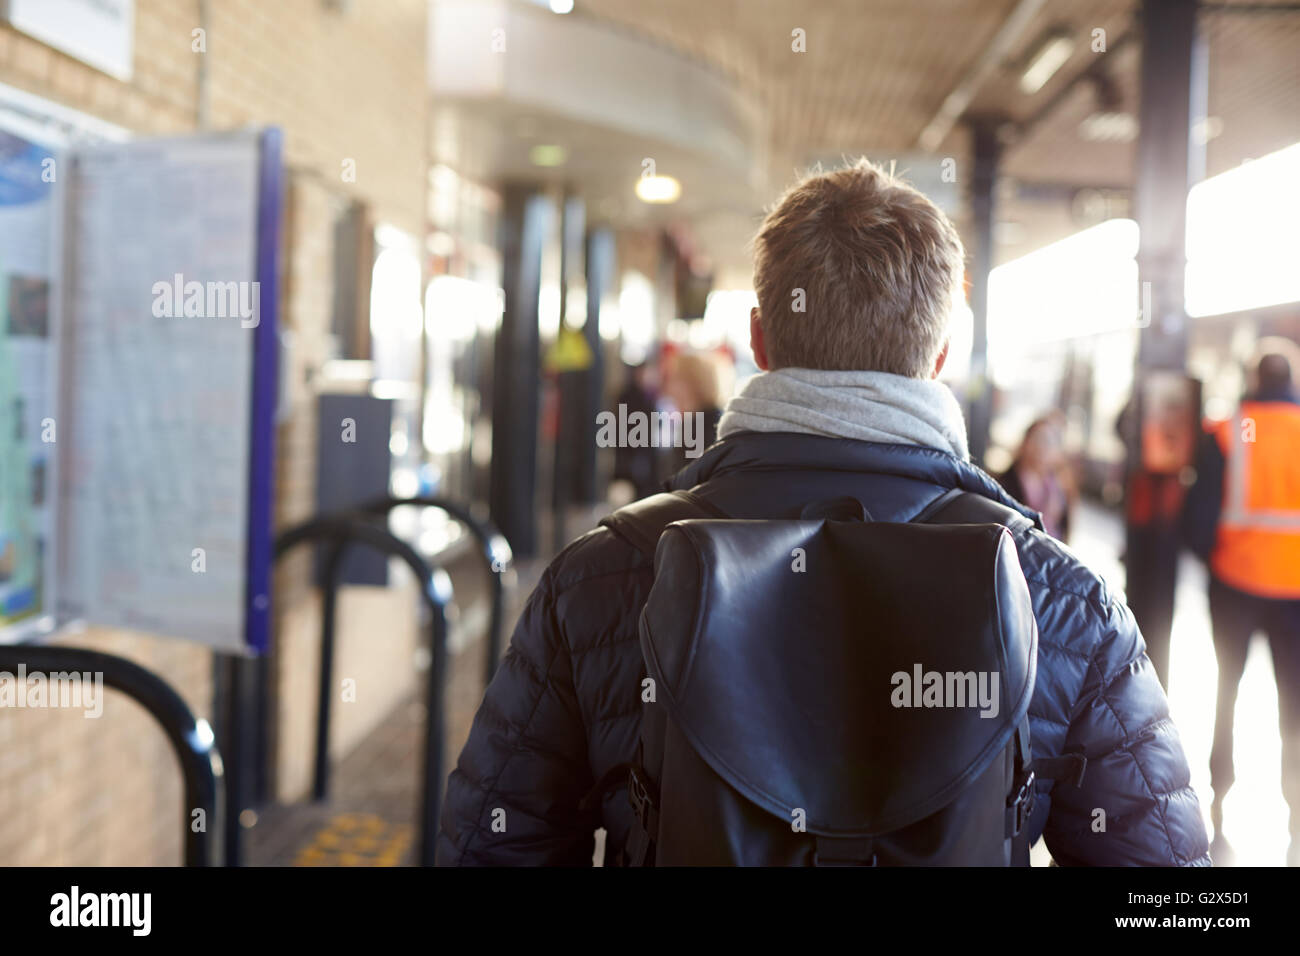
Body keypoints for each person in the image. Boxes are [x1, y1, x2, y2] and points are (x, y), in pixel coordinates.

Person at [438, 158, 1209, 866]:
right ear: (939, 356)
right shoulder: (1063, 600)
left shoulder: (601, 575)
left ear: (759, 341)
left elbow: (492, 845)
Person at [1183, 341, 1300, 866]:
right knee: (1294, 708)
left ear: (1255, 378)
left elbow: (1199, 515)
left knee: (1226, 692)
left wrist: (1215, 555)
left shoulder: (1236, 429)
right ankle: (1295, 817)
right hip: (1295, 593)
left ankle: (1219, 806)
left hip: (1234, 585)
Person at [997, 414, 1074, 542]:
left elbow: (1065, 529)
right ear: (1025, 442)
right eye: (1038, 439)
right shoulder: (1005, 484)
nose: (1042, 448)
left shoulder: (1061, 485)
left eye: (1049, 441)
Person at [660, 350, 725, 478]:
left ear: (692, 383)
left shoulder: (707, 430)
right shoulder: (693, 424)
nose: (669, 389)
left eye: (674, 379)